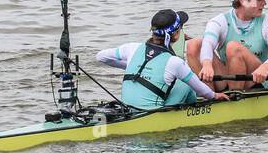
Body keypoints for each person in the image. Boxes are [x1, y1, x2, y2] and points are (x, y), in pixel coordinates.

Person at [97, 9, 228, 108]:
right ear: (176, 34)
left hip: (128, 107)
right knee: (185, 84)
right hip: (150, 112)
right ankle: (193, 114)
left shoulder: (132, 48)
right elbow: (201, 89)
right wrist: (215, 96)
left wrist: (132, 65)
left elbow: (101, 57)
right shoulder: (175, 62)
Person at [184, 0, 268, 91]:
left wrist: (265, 67)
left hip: (259, 80)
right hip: (230, 79)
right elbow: (208, 43)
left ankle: (235, 95)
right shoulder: (219, 21)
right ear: (243, 0)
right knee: (193, 44)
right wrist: (207, 64)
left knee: (233, 47)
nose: (264, 3)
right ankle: (209, 95)